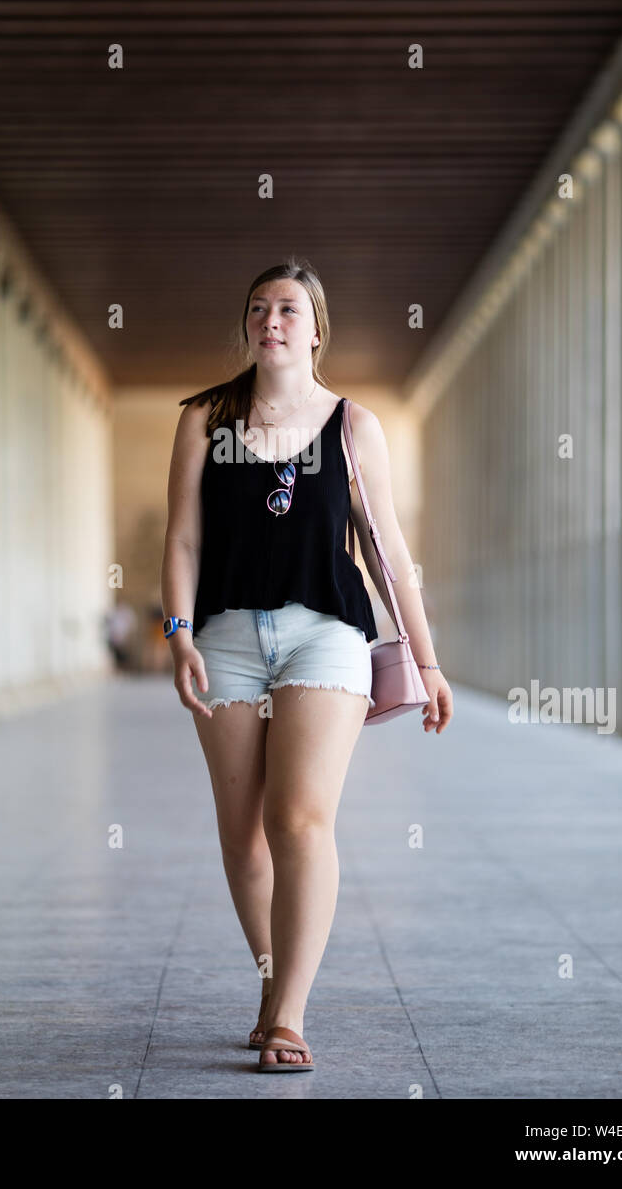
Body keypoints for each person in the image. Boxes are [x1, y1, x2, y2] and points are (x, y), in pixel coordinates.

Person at [160, 258, 453, 1071]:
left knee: (297, 820)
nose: (270, 320)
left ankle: (288, 1012)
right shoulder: (205, 418)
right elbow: (183, 537)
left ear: (316, 328)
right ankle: (271, 976)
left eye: (288, 308)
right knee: (245, 841)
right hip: (221, 641)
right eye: (258, 307)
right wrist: (177, 631)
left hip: (324, 636)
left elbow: (388, 551)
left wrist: (425, 662)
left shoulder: (353, 425)